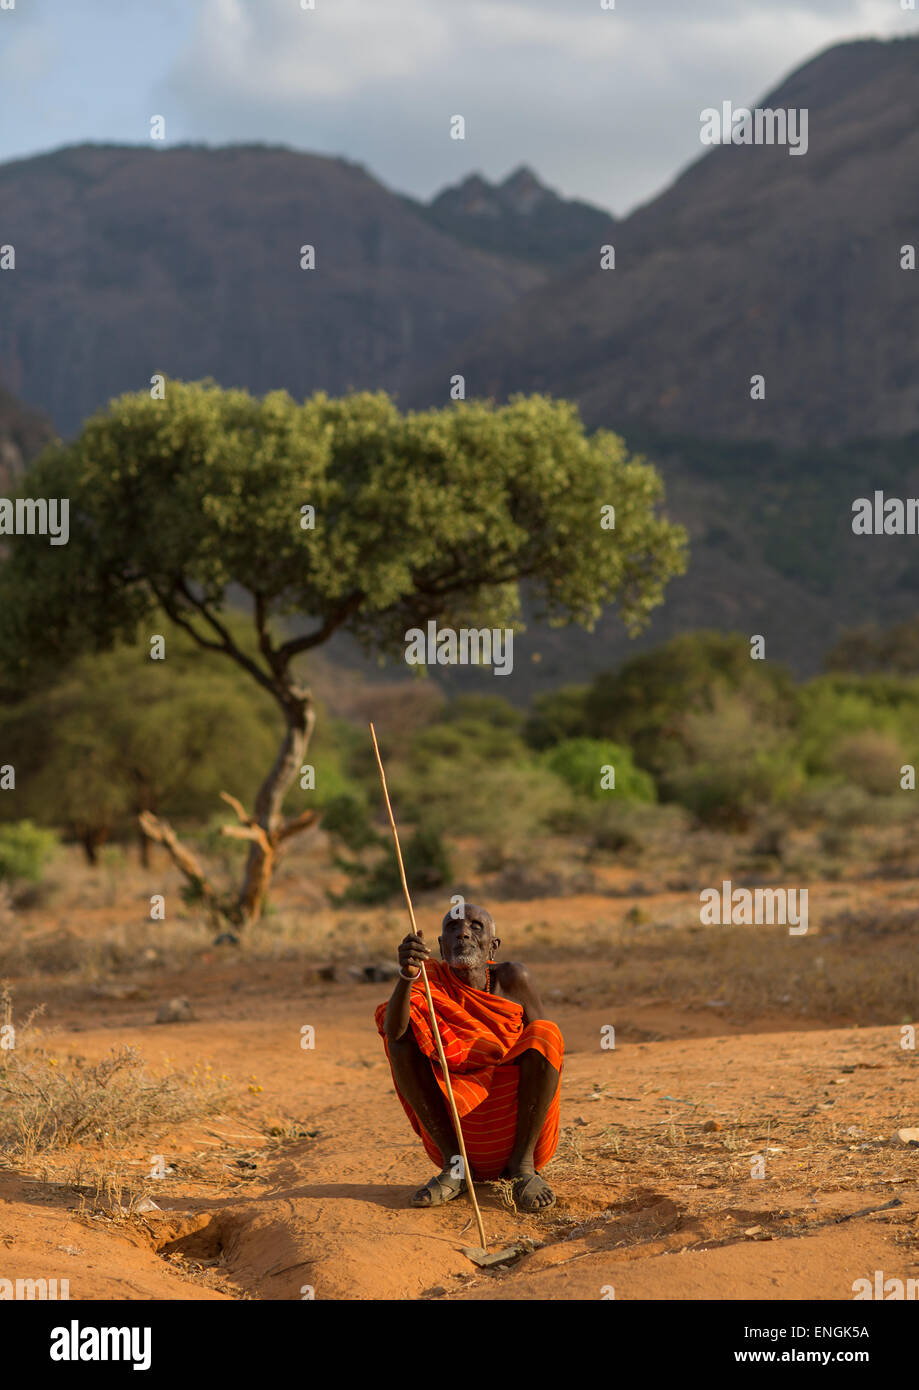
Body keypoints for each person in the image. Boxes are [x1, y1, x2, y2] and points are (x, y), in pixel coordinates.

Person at [375, 902, 563, 1212]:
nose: (463, 932)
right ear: (440, 945)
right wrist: (406, 977)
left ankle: (523, 1170)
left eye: (475, 926)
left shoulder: (513, 978)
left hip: (518, 1128)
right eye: (453, 927)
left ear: (494, 945)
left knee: (547, 1034)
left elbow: (547, 1056)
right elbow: (393, 1031)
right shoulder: (429, 979)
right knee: (401, 1040)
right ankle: (455, 1168)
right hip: (460, 1131)